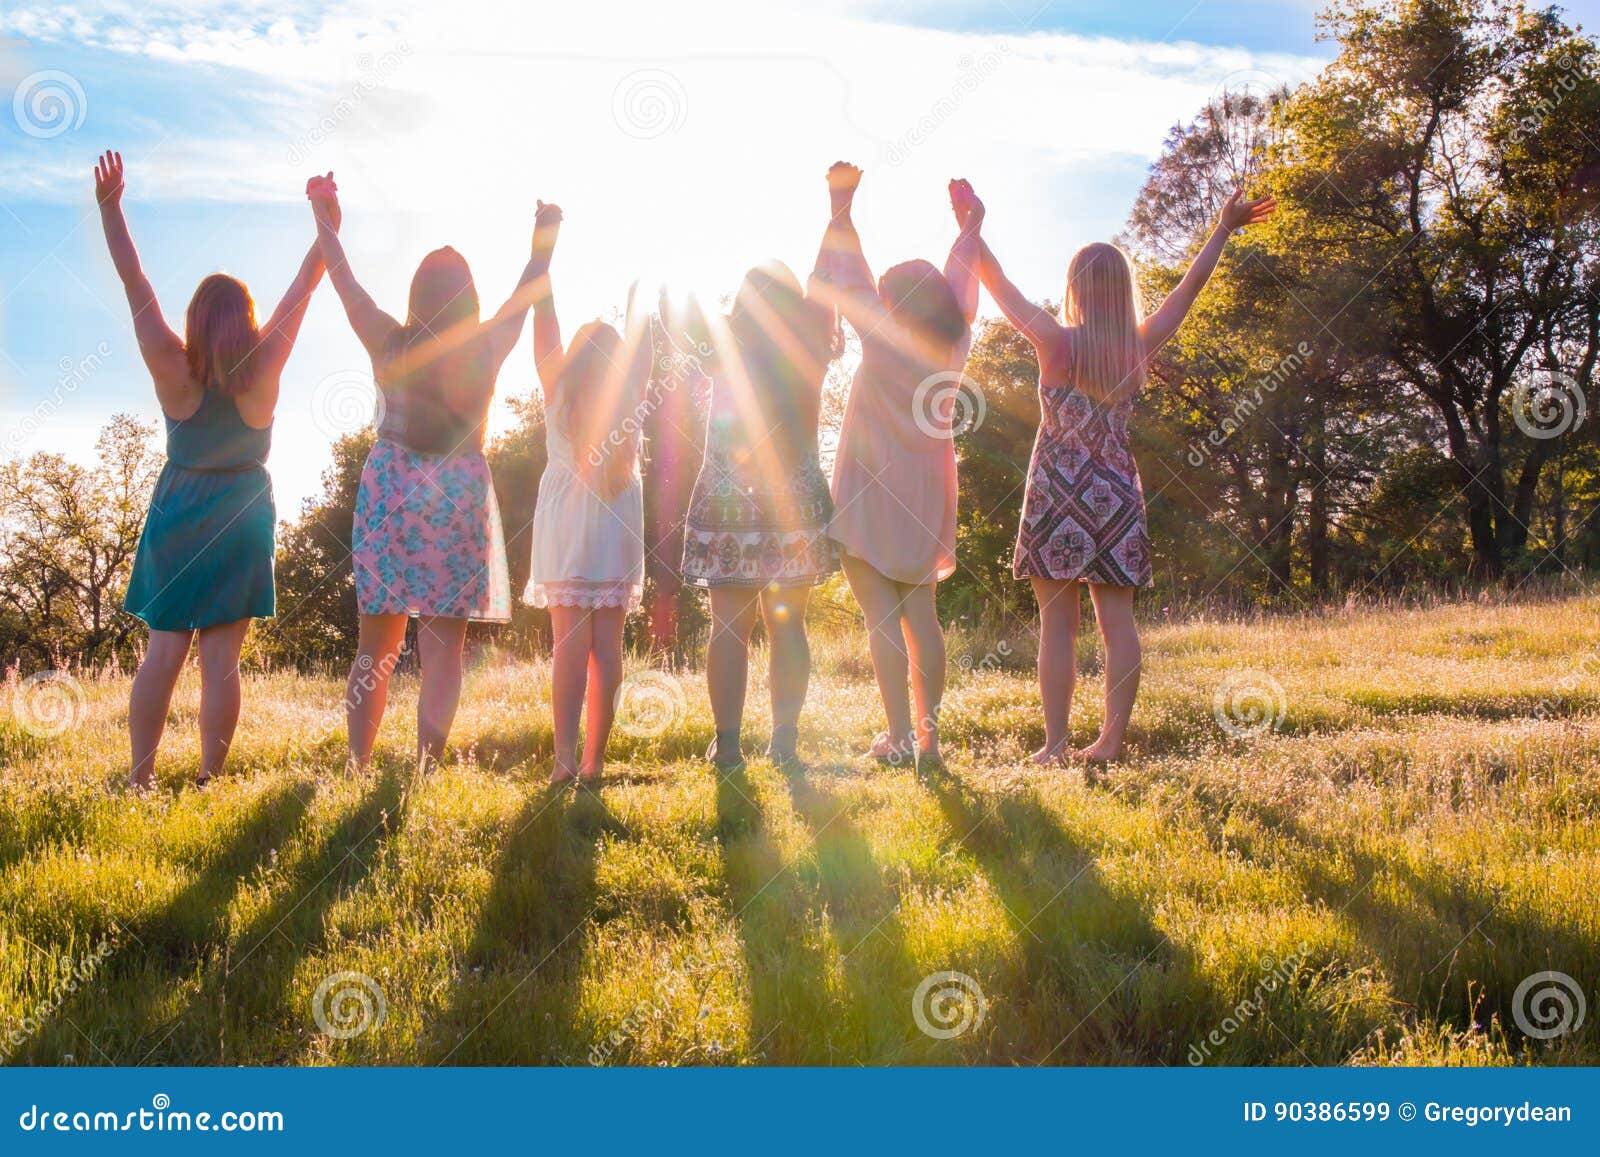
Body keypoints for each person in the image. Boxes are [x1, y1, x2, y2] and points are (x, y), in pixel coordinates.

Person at [973, 183, 1276, 762]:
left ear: (1074, 290)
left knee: (1055, 625)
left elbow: (1001, 289)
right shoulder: (1137, 347)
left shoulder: (1053, 341)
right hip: (1114, 495)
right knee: (1118, 625)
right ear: (1122, 292)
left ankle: (1056, 746)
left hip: (1055, 495)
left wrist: (972, 230)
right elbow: (1187, 294)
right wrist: (1222, 229)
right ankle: (1109, 743)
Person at [97, 152, 329, 790]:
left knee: (164, 651)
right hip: (243, 515)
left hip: (181, 511)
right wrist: (325, 225)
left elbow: (135, 284)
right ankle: (207, 780)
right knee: (221, 660)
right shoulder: (265, 371)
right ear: (247, 321)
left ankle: (141, 782)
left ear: (196, 322)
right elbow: (304, 290)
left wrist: (111, 209)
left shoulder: (173, 368)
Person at [307, 174, 547, 772]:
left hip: (390, 488)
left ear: (416, 294)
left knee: (376, 648)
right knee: (444, 650)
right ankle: (425, 771)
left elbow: (346, 283)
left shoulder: (389, 340)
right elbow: (527, 293)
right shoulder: (487, 346)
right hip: (458, 494)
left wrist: (324, 221)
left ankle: (360, 766)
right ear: (469, 298)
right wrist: (545, 240)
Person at [819, 163, 978, 765]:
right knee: (922, 617)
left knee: (880, 619)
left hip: (866, 489)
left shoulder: (881, 332)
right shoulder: (955, 344)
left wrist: (840, 206)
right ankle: (930, 743)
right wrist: (970, 227)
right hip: (924, 494)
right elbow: (961, 282)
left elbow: (850, 270)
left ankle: (899, 738)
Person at [676, 200, 845, 769]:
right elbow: (826, 278)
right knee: (787, 622)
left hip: (729, 501)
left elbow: (681, 310)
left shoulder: (726, 343)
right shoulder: (813, 348)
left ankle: (727, 747)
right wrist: (839, 210)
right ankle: (785, 742)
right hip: (793, 501)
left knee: (729, 625)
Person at [524, 203, 651, 786]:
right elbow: (643, 345)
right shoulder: (629, 394)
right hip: (615, 515)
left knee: (568, 647)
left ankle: (564, 762)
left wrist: (544, 247)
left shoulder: (558, 386)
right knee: (608, 648)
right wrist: (638, 295)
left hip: (568, 520)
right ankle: (596, 763)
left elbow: (543, 322)